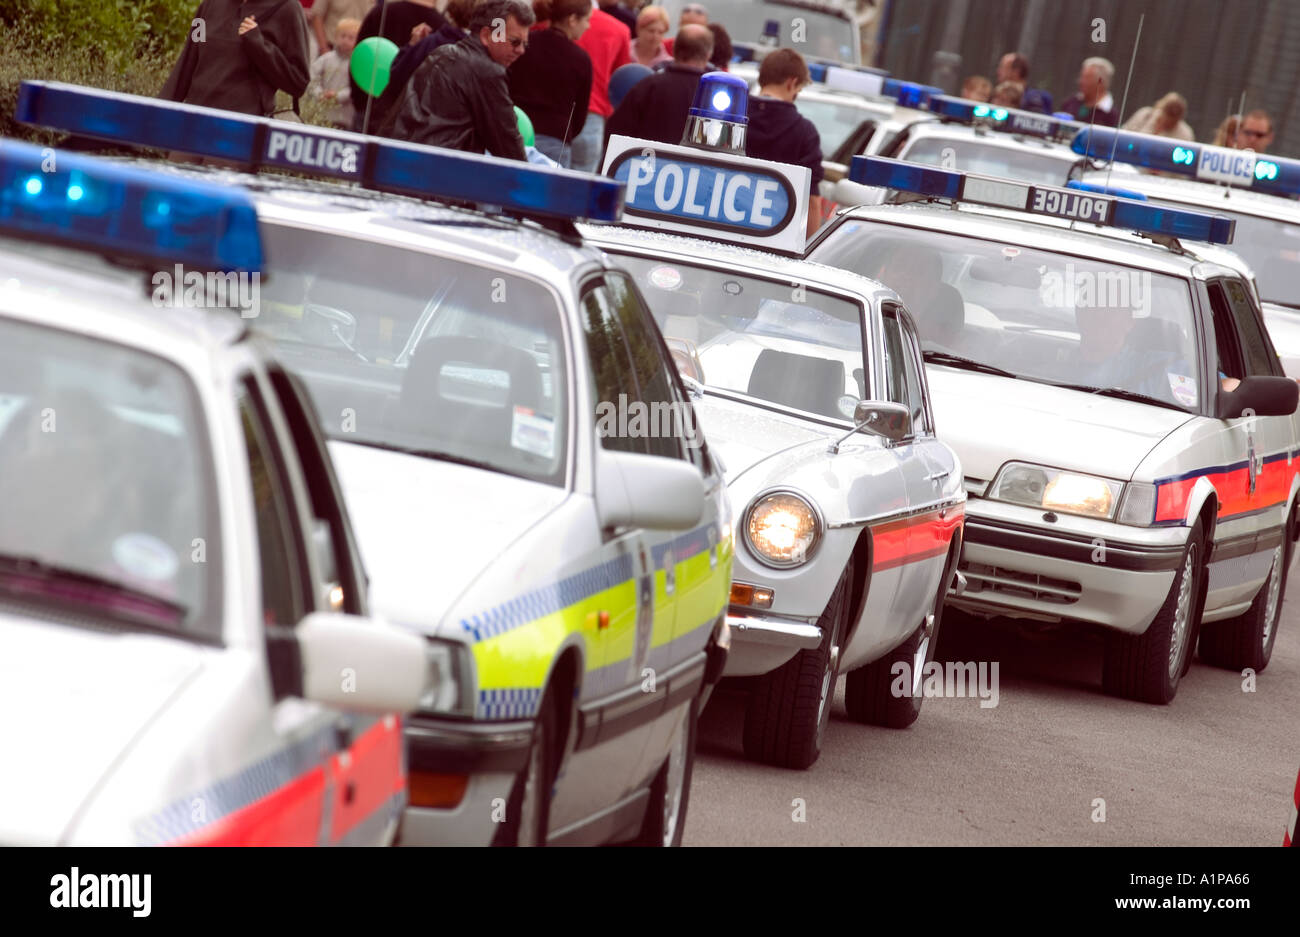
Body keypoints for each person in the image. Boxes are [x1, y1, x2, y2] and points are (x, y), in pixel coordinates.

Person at [392, 0, 534, 160]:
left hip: (399, 161)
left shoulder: (442, 53)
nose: (521, 50)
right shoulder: (487, 71)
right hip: (437, 172)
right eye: (514, 41)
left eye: (525, 44)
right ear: (487, 36)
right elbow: (510, 150)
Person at [161, 0, 310, 118]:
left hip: (240, 130)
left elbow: (298, 82)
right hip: (194, 119)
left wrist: (259, 46)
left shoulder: (288, 8)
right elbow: (187, 61)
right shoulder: (209, 5)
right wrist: (158, 113)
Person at [745, 49, 824, 237]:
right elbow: (811, 202)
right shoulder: (805, 132)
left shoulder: (734, 115)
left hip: (723, 229)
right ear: (792, 83)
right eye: (799, 90)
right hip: (777, 237)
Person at [509, 0, 594, 167]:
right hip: (555, 140)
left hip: (516, 131)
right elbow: (579, 115)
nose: (588, 26)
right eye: (586, 20)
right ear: (572, 20)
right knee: (549, 192)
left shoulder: (525, 45)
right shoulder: (581, 59)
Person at [370, 0, 474, 135]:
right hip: (448, 137)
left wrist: (412, 46)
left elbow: (397, 74)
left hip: (408, 127)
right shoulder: (477, 55)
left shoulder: (432, 41)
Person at [605, 22, 712, 146]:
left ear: (674, 49)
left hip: (643, 162)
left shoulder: (647, 86)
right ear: (708, 54)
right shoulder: (712, 96)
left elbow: (616, 134)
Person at [350, 0, 448, 131]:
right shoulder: (442, 27)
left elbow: (358, 58)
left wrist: (361, 105)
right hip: (414, 123)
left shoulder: (381, 12)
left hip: (370, 109)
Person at [574, 0, 633, 172]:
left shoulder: (550, 20)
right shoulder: (619, 29)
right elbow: (620, 79)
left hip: (552, 112)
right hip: (593, 114)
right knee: (580, 183)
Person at [308, 16, 359, 127]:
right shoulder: (326, 58)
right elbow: (312, 76)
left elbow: (355, 88)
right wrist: (319, 93)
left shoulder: (356, 64)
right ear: (335, 37)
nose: (345, 40)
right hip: (321, 112)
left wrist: (337, 96)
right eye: (343, 36)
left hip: (344, 117)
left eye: (351, 38)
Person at [1061, 57, 1117, 127]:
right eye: (1082, 77)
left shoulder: (1111, 116)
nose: (1081, 81)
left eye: (1087, 78)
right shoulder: (1071, 102)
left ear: (1101, 82)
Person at [1122, 92, 1194, 141]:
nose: (1169, 120)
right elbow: (1122, 135)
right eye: (1168, 112)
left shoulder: (1185, 134)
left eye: (1174, 116)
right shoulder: (1145, 114)